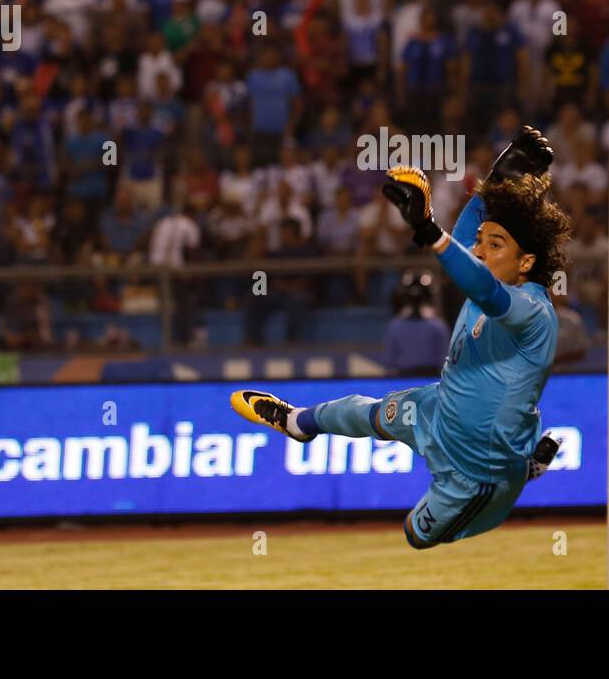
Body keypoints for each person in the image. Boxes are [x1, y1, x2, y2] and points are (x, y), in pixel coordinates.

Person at [232, 127, 571, 548]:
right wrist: (500, 177)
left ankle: (524, 469)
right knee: (370, 412)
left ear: (527, 263)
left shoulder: (533, 310)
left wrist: (429, 229)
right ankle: (296, 422)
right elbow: (467, 247)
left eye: (494, 244)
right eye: (481, 242)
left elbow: (483, 286)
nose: (480, 251)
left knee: (415, 535)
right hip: (438, 411)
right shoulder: (487, 268)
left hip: (477, 471)